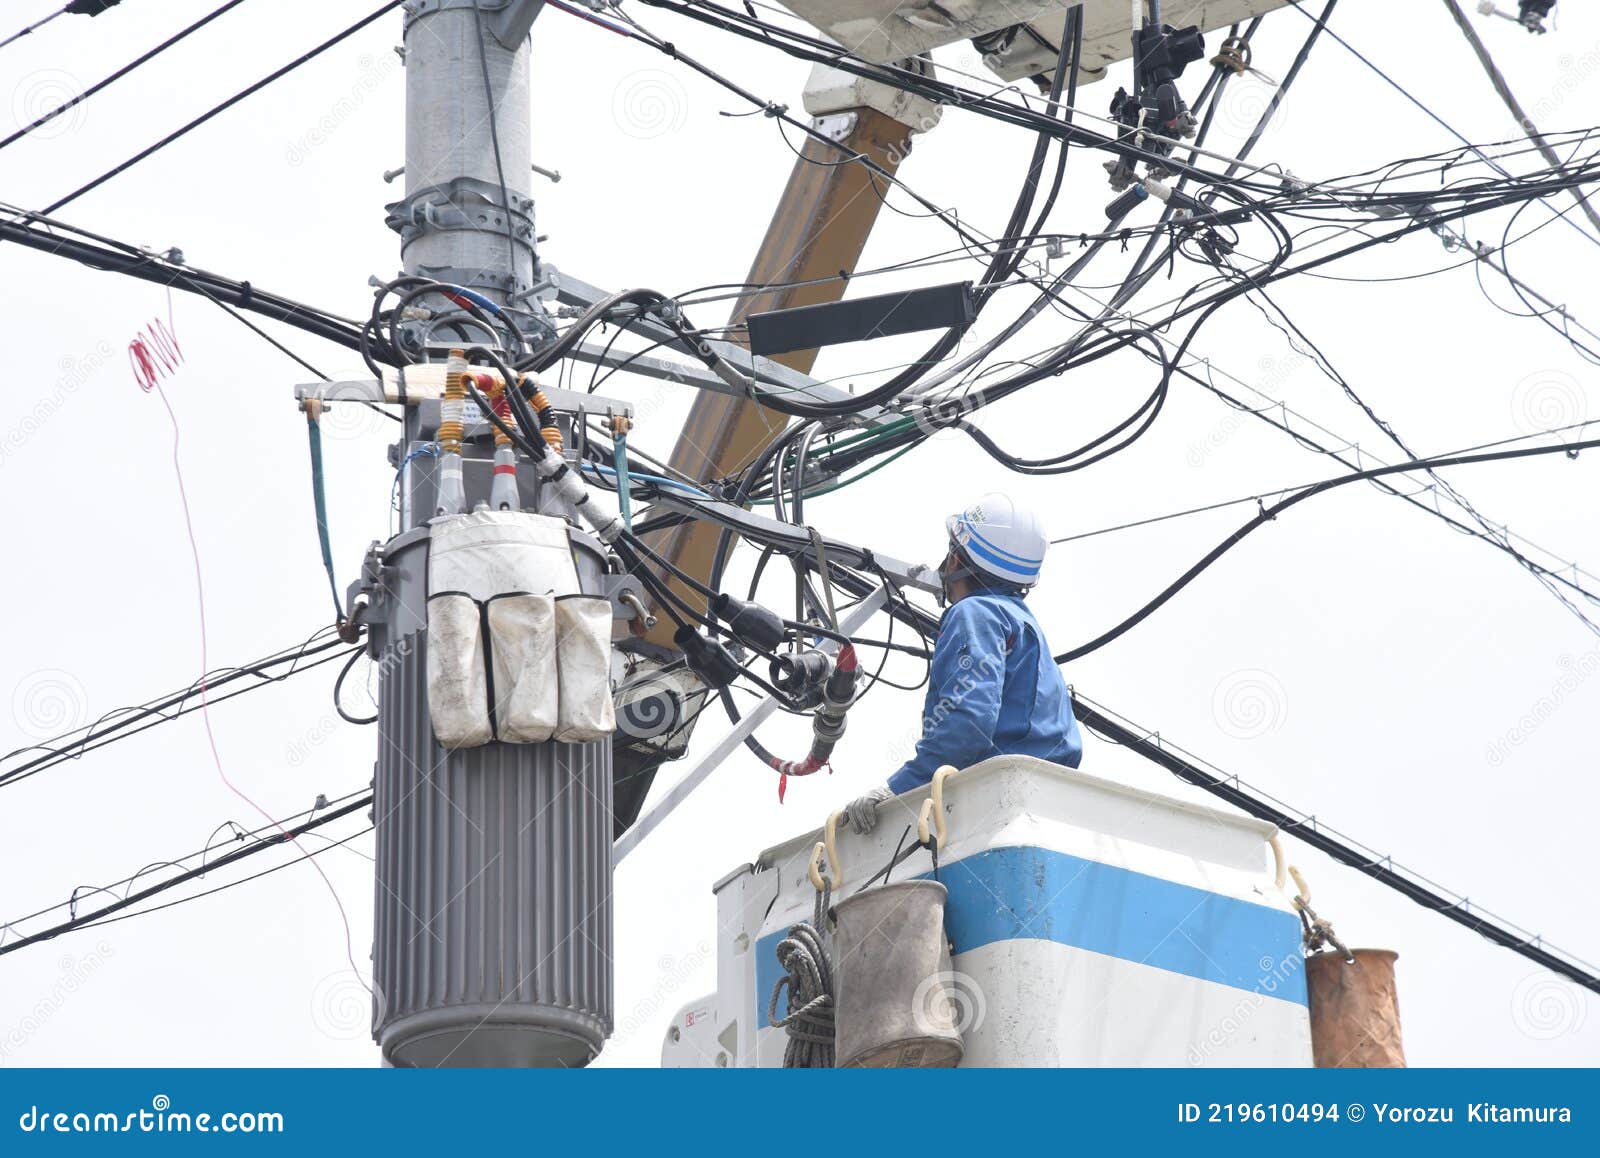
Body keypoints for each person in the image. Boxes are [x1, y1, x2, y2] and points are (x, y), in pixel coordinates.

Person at [844, 492, 1083, 835]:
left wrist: (899, 790)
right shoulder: (1025, 625)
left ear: (956, 561)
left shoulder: (974, 613)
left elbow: (965, 724)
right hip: (1048, 803)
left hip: (993, 805)